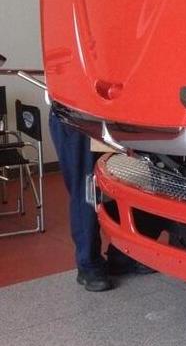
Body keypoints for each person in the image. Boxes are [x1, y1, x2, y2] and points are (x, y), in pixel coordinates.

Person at [49, 112, 153, 291]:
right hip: (76, 116)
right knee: (87, 189)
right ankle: (88, 264)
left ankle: (122, 256)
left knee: (121, 184)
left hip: (111, 116)